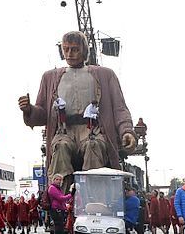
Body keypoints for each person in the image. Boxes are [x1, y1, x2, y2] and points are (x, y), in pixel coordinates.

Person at [19, 31, 137, 188]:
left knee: (93, 147)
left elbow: (119, 108)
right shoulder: (49, 77)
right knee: (60, 148)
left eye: (74, 49)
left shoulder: (105, 75)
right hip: (64, 130)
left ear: (84, 50)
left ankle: (94, 197)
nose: (70, 54)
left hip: (92, 130)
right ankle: (61, 199)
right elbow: (42, 114)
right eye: (66, 49)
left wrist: (127, 131)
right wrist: (28, 110)